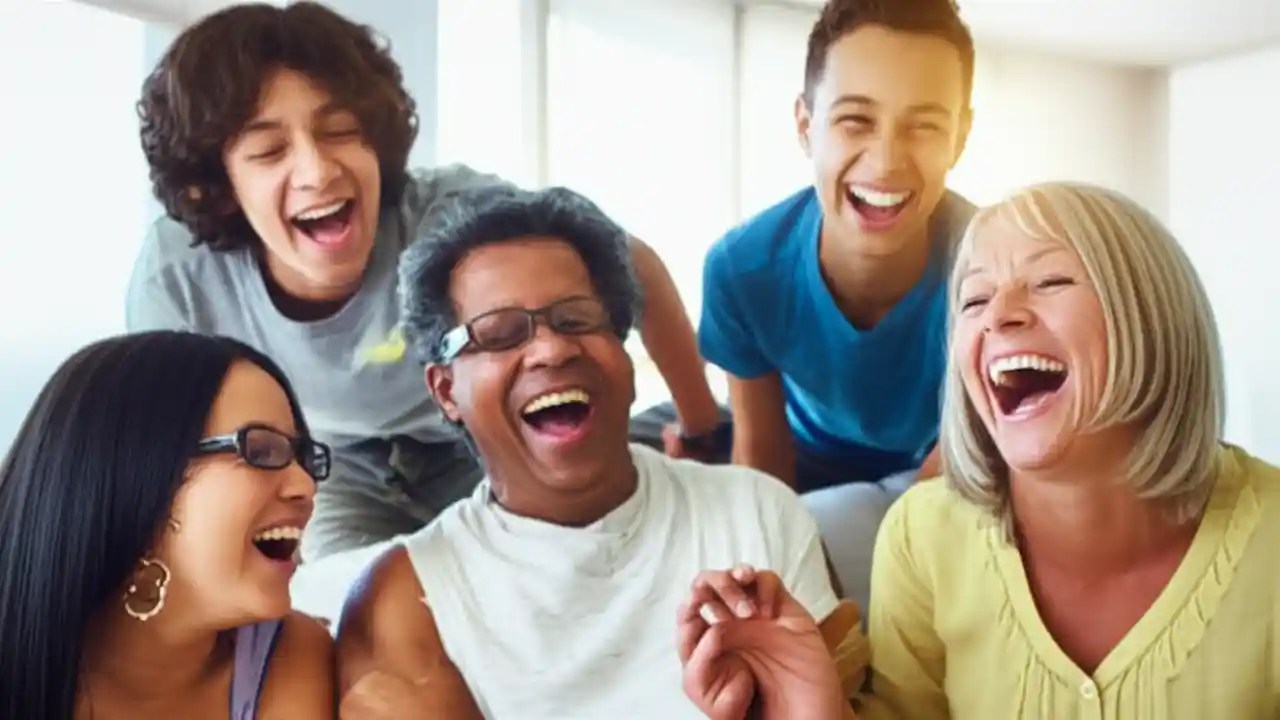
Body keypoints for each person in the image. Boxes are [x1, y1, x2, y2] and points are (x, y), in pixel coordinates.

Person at [127, 1, 722, 564]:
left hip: (482, 430)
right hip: (340, 462)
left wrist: (701, 429)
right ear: (221, 187)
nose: (316, 170)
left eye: (338, 131)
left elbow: (632, 263)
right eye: (269, 151)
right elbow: (174, 463)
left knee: (558, 566)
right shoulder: (179, 277)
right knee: (351, 604)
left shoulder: (453, 215)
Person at [334, 185, 868, 719]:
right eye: (498, 334)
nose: (550, 348)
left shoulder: (757, 513)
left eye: (577, 319)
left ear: (623, 354)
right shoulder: (405, 600)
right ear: (446, 391)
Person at [858, 182, 1280, 718]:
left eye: (1050, 280)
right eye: (975, 299)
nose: (999, 315)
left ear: (1153, 320)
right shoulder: (918, 537)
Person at [693, 0, 977, 609]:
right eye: (855, 121)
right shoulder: (742, 268)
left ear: (961, 136)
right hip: (801, 450)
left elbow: (966, 452)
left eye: (924, 125)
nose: (887, 160)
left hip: (931, 456)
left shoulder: (992, 264)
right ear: (804, 126)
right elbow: (761, 463)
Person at [0, 331, 334, 720]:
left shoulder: (288, 656)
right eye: (261, 451)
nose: (306, 487)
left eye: (303, 459)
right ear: (140, 472)